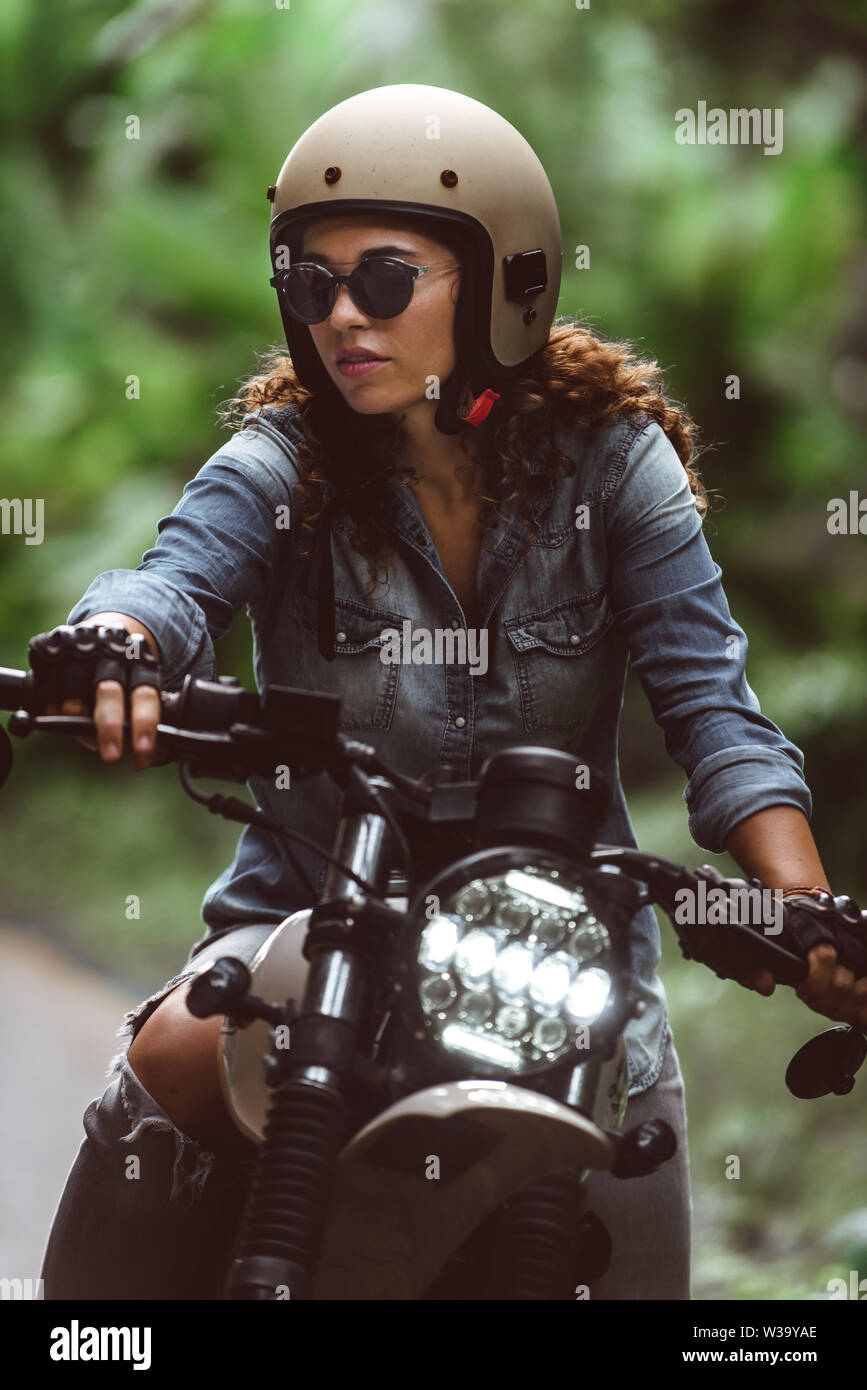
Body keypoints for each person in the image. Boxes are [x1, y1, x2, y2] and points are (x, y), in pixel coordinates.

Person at [38, 83, 865, 1301]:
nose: (339, 316)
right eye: (311, 285)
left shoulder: (615, 465)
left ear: (500, 285)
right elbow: (173, 581)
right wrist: (115, 641)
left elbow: (716, 709)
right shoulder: (282, 458)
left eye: (381, 279)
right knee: (169, 1059)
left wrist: (804, 912)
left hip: (567, 963)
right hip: (314, 935)